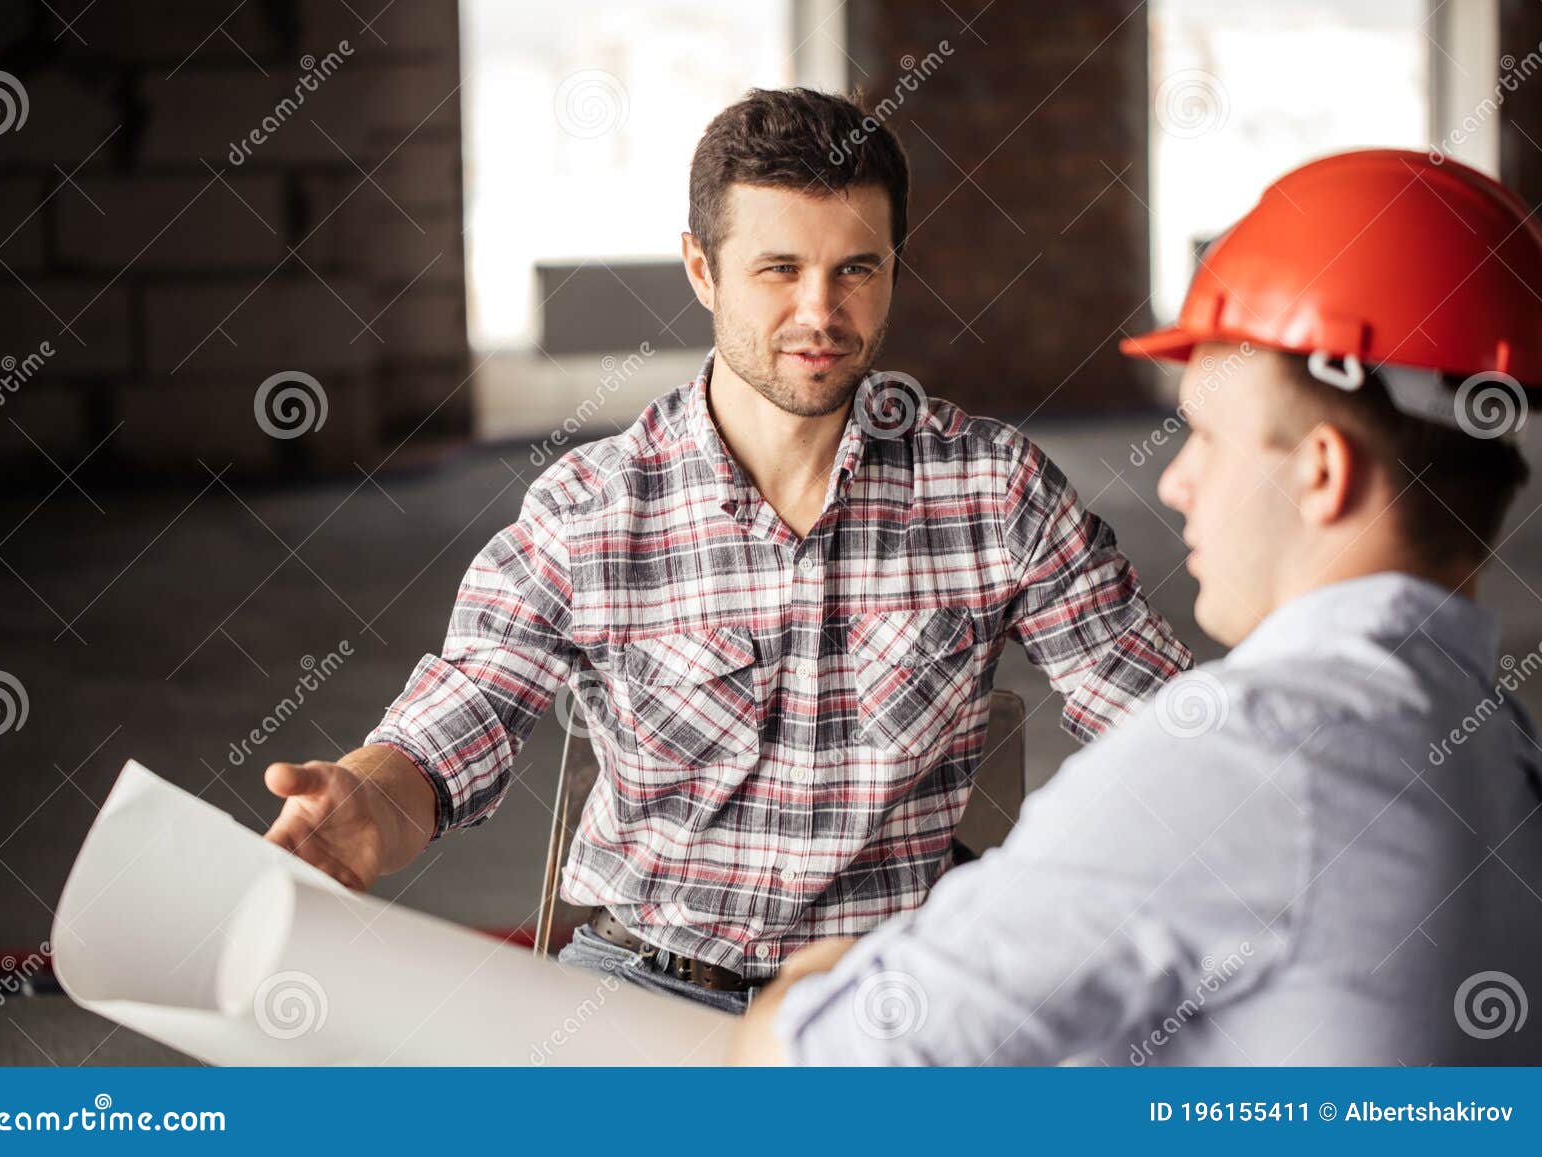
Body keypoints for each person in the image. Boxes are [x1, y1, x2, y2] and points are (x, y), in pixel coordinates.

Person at [261, 88, 1189, 1013]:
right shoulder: (591, 508)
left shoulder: (992, 488)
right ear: (701, 269)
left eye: (856, 270)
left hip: (891, 997)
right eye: (779, 269)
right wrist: (370, 800)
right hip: (644, 987)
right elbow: (456, 717)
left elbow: (1160, 722)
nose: (821, 313)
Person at [730, 148, 1542, 1063]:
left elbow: (835, 1068)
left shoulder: (1251, 756)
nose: (1177, 481)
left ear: (1323, 471)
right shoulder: (1502, 749)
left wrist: (813, 986)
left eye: (1205, 434)